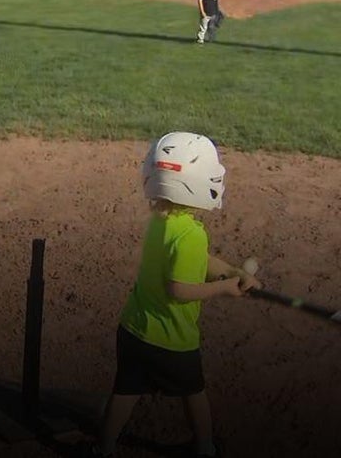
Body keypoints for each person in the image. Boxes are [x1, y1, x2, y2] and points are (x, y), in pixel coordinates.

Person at [91, 132, 261, 457]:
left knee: (125, 391)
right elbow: (179, 290)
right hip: (171, 340)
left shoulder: (162, 221)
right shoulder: (192, 234)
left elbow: (198, 261)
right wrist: (225, 288)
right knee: (194, 393)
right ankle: (205, 448)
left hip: (133, 330)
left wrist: (232, 271)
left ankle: (105, 448)